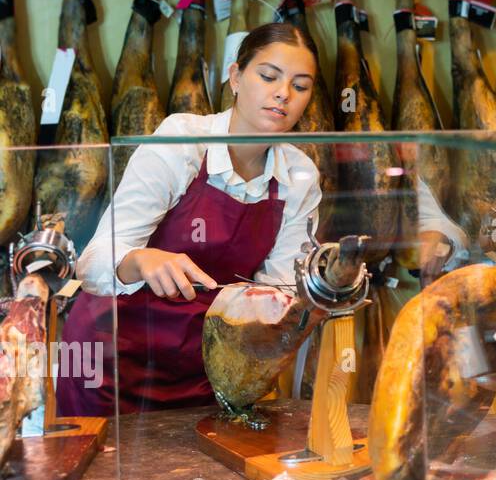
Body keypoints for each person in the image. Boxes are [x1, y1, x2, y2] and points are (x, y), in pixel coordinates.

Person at [57, 22, 323, 415]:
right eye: (269, 76)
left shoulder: (298, 177)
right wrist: (139, 260)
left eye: (300, 86)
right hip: (113, 361)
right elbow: (93, 261)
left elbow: (277, 291)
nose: (283, 94)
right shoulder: (182, 141)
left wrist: (293, 305)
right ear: (235, 77)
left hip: (205, 371)